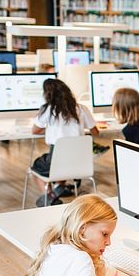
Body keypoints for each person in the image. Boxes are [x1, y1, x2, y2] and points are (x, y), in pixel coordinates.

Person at [31, 78, 101, 207]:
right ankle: (59, 187)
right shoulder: (81, 109)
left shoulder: (48, 109)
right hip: (80, 162)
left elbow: (35, 130)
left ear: (47, 94)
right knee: (62, 166)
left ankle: (49, 197)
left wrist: (52, 130)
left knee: (36, 169)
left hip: (57, 159)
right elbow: (95, 131)